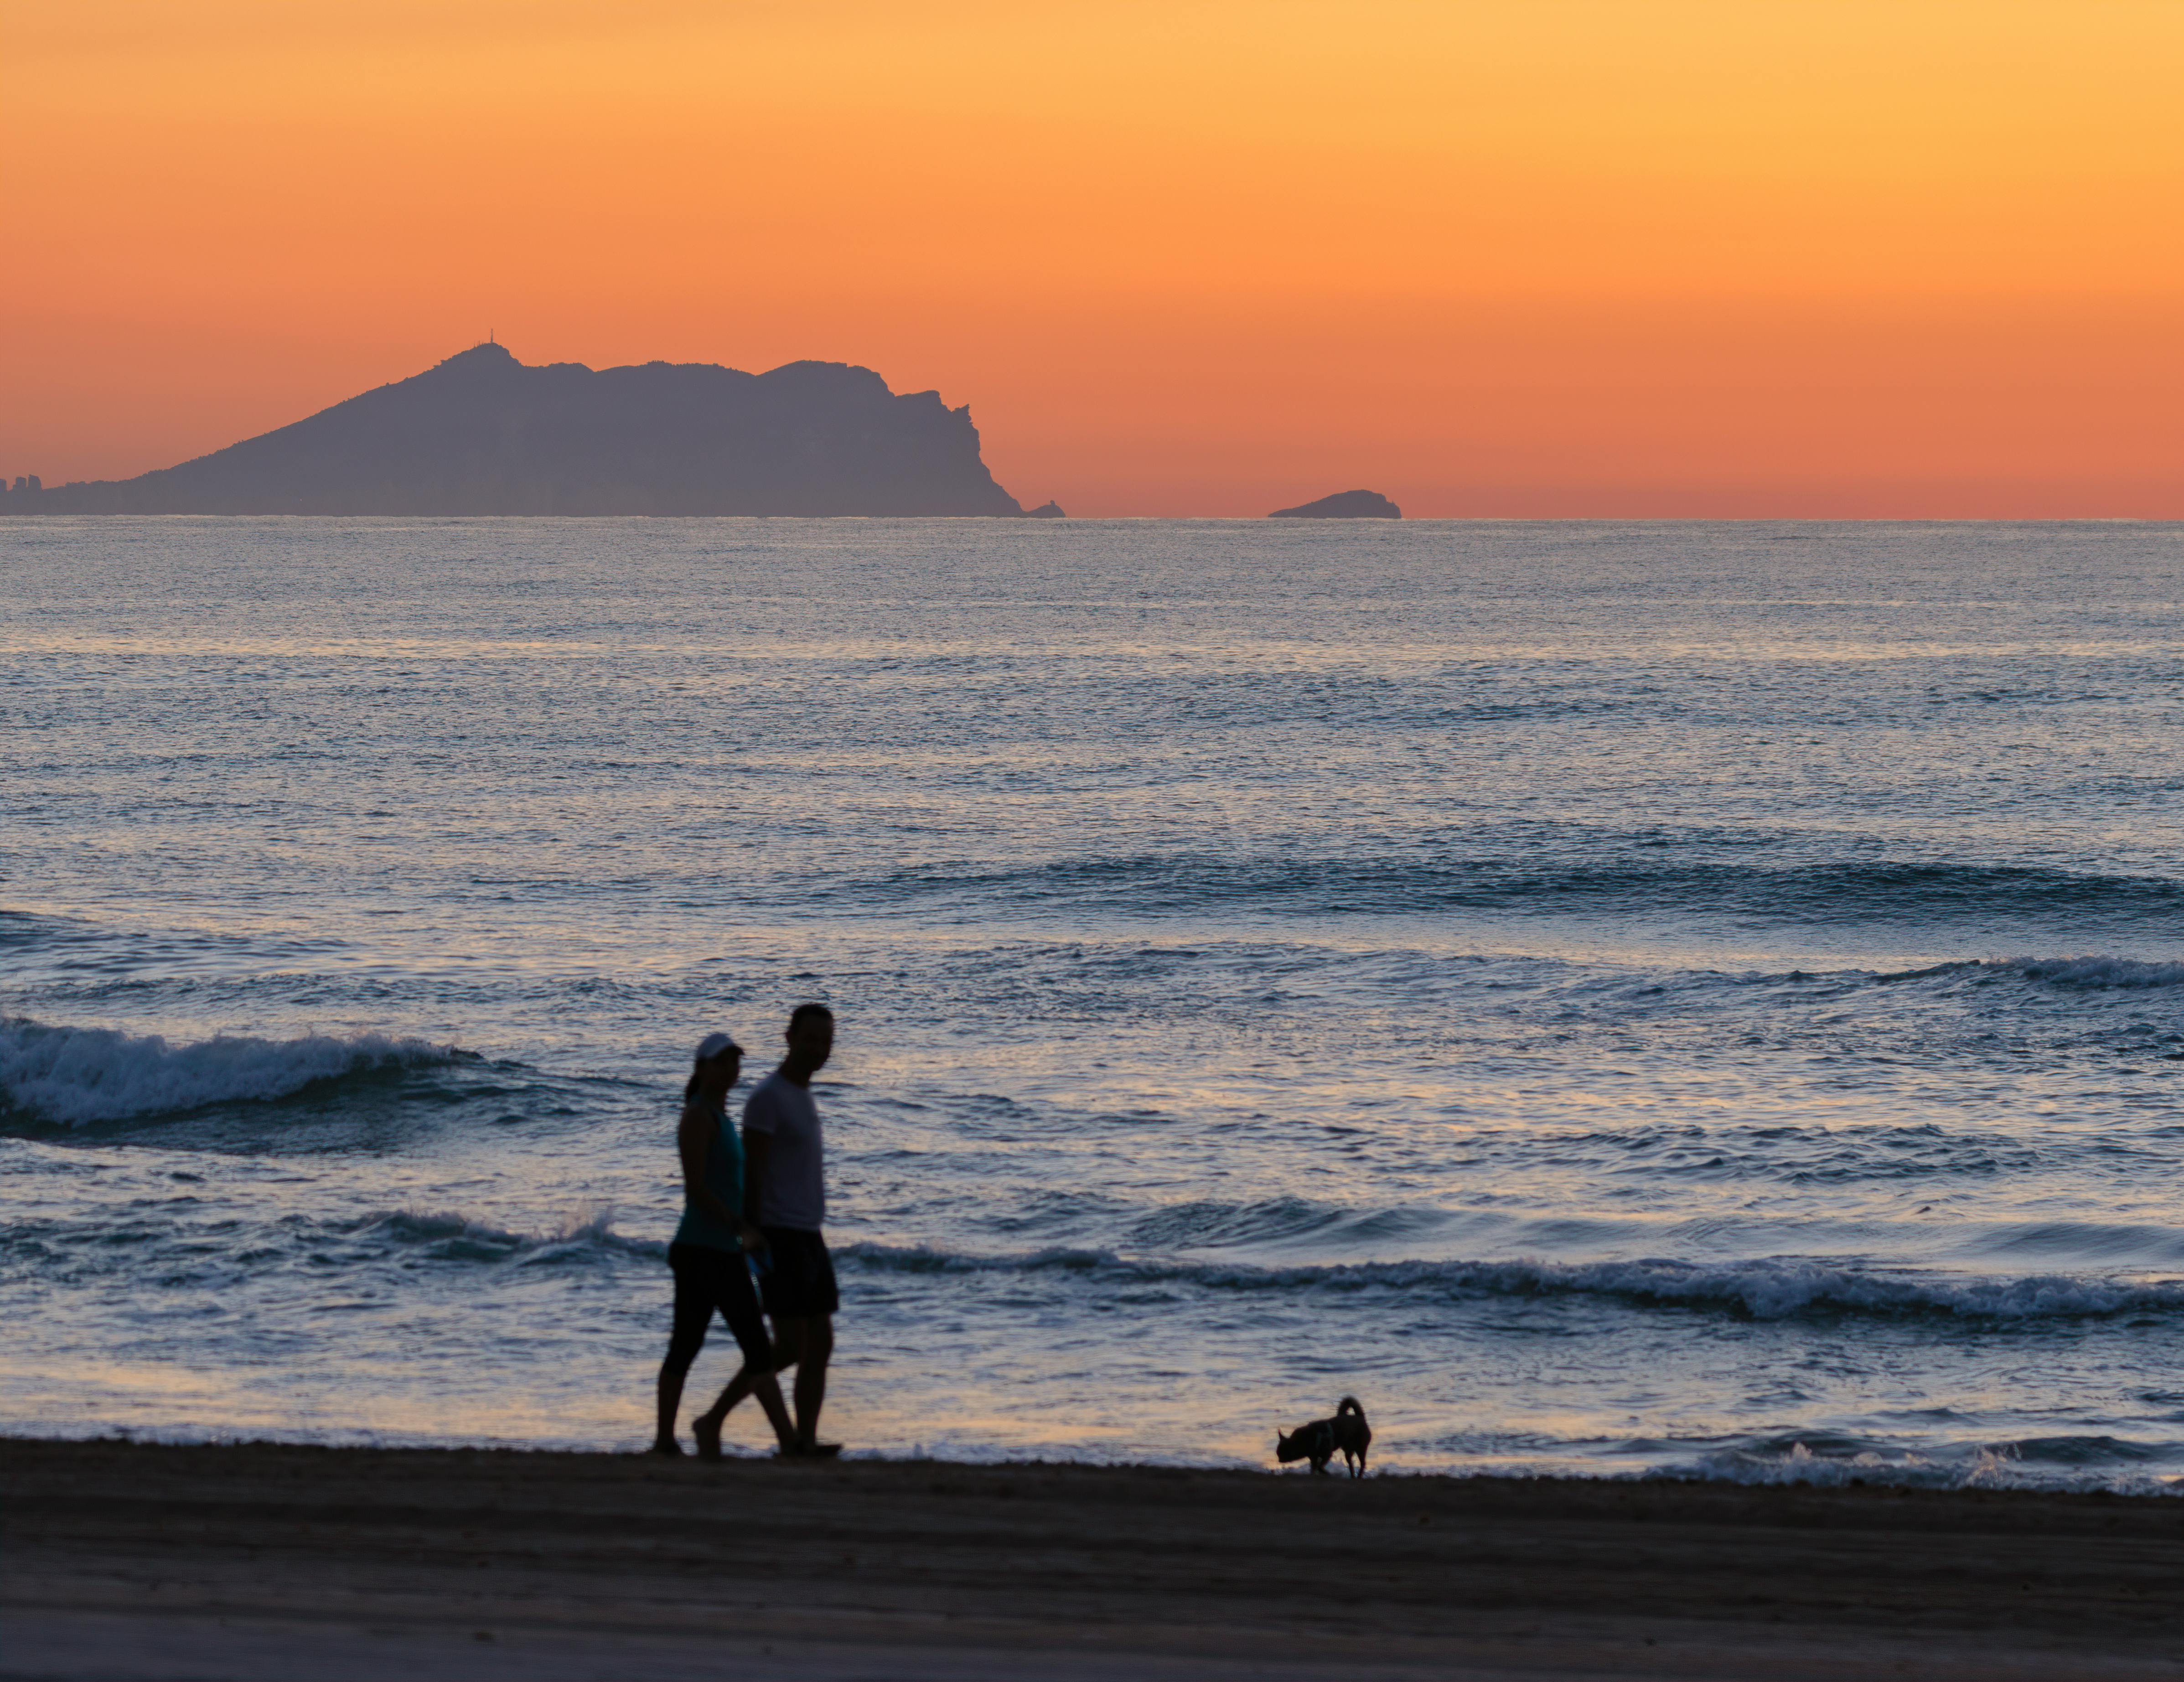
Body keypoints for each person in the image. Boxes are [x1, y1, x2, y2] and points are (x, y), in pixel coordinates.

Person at [652, 1032, 797, 1459]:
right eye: (721, 1062)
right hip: (703, 1250)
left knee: (730, 1345)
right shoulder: (698, 1116)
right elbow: (695, 1187)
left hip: (719, 1250)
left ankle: (676, 1437)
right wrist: (739, 1226)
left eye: (735, 1062)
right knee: (734, 1345)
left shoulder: (721, 1116)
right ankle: (785, 1442)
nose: (731, 1069)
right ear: (700, 1069)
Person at [742, 1003, 840, 1457]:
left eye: (825, 1040)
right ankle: (716, 1415)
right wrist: (751, 1232)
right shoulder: (769, 1096)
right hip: (778, 1232)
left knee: (818, 1342)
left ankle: (804, 1437)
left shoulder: (802, 1095)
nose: (818, 1048)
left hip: (808, 1231)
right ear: (788, 1037)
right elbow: (753, 1170)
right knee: (788, 1346)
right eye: (810, 1039)